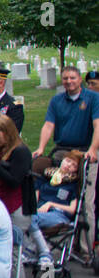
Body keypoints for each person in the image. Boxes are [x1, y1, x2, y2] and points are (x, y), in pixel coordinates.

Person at [34, 65, 99, 260]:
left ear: (79, 79)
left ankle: (87, 249)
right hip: (62, 151)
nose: (68, 81)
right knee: (49, 186)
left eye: (72, 78)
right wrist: (41, 147)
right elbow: (48, 125)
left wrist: (93, 149)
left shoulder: (93, 98)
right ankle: (43, 237)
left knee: (86, 202)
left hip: (85, 153)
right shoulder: (56, 100)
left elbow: (98, 124)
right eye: (65, 78)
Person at [22, 150, 82, 270]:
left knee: (31, 217)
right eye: (68, 161)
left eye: (73, 165)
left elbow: (72, 209)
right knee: (24, 215)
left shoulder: (72, 185)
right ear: (62, 160)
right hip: (39, 212)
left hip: (60, 215)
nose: (68, 165)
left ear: (76, 170)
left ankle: (42, 252)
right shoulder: (45, 178)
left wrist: (50, 204)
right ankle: (36, 249)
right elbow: (35, 198)